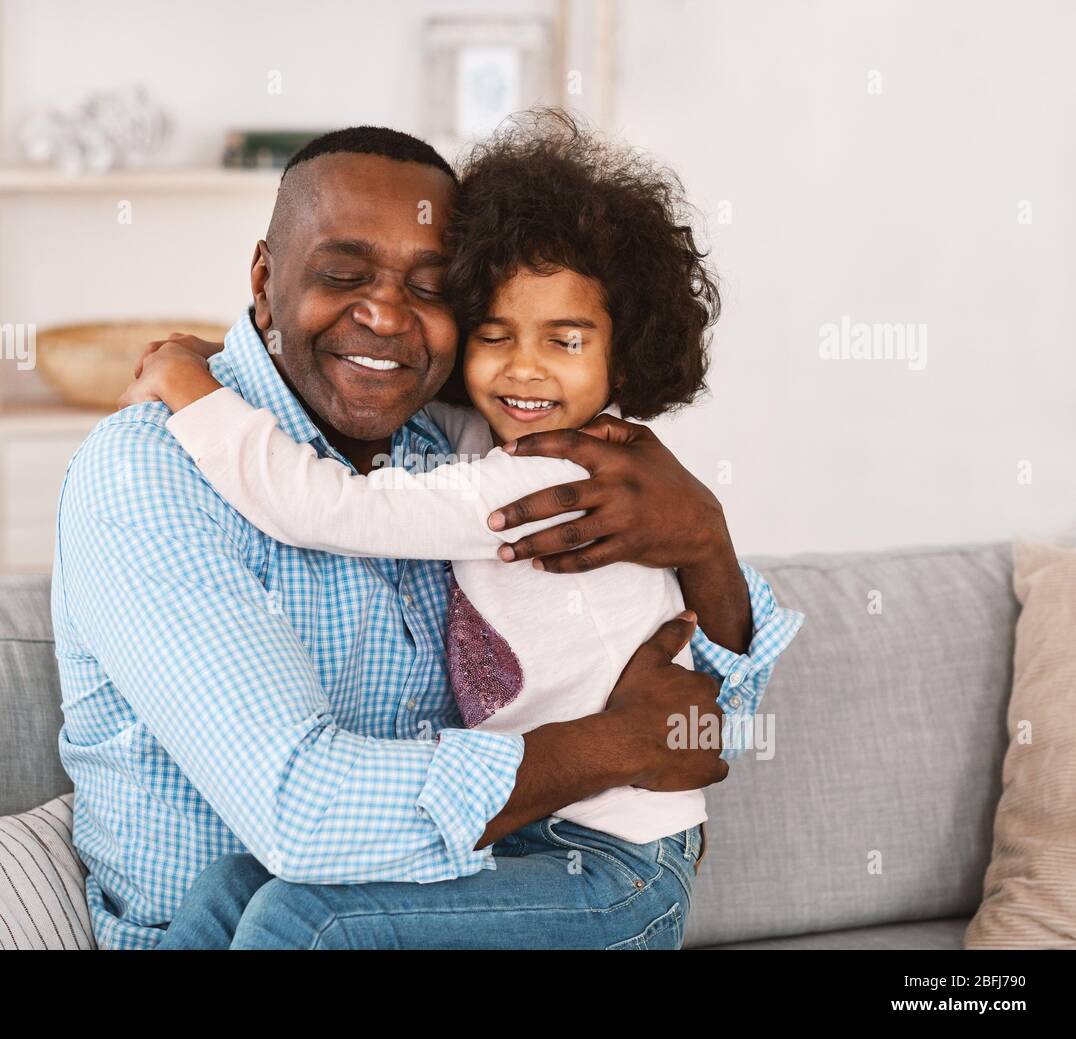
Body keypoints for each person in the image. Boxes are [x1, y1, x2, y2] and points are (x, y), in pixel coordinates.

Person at [53, 121, 796, 950]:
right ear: (264, 280)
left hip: (571, 877)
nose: (384, 315)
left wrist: (704, 538)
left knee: (304, 911)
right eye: (342, 274)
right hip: (404, 889)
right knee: (255, 890)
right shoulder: (151, 470)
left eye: (431, 288)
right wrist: (613, 745)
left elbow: (702, 718)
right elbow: (302, 815)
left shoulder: (472, 453)